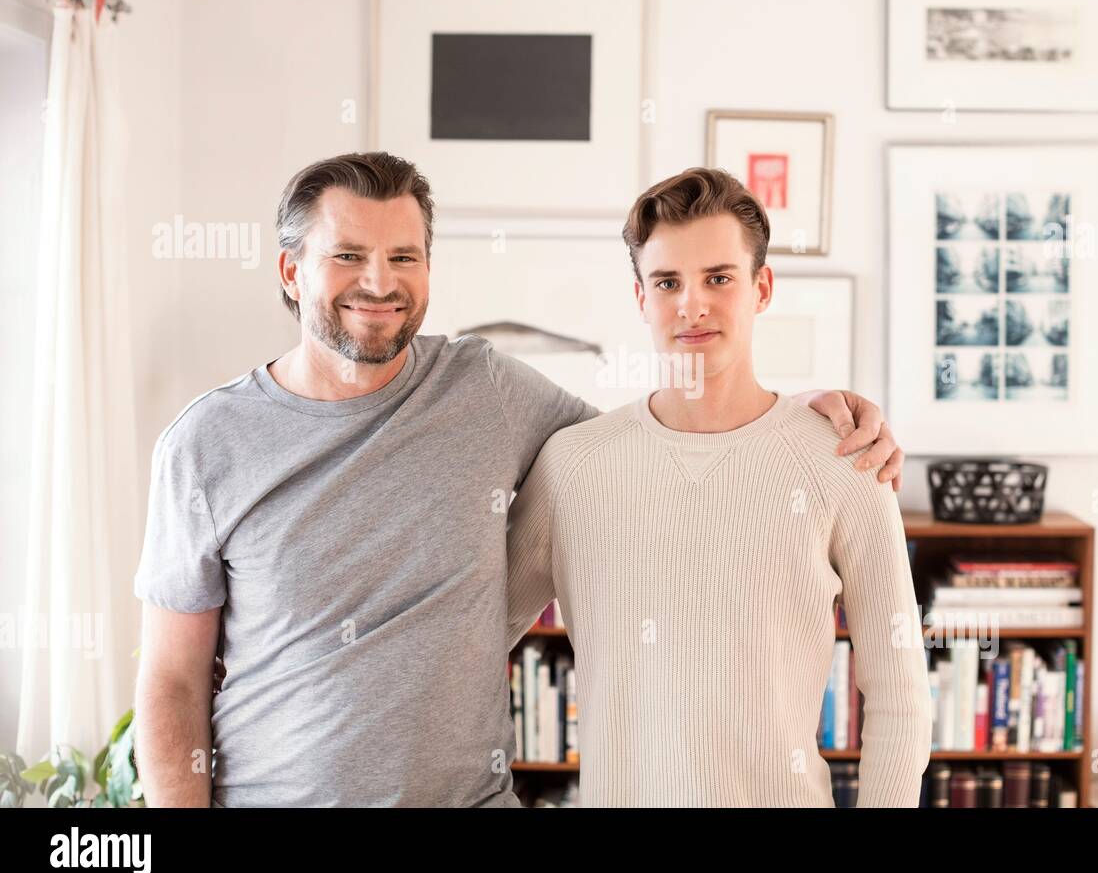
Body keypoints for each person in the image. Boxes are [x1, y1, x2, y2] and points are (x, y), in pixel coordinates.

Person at [131, 152, 907, 807]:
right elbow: (170, 683)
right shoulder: (207, 443)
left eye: (403, 255)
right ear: (290, 271)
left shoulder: (488, 392)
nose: (379, 280)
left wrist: (796, 419)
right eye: (347, 255)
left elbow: (660, 444)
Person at [505, 167, 931, 806]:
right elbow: (468, 642)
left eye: (718, 279)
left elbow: (899, 694)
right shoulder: (573, 466)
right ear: (641, 297)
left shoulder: (846, 458)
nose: (691, 305)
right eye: (668, 282)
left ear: (761, 288)